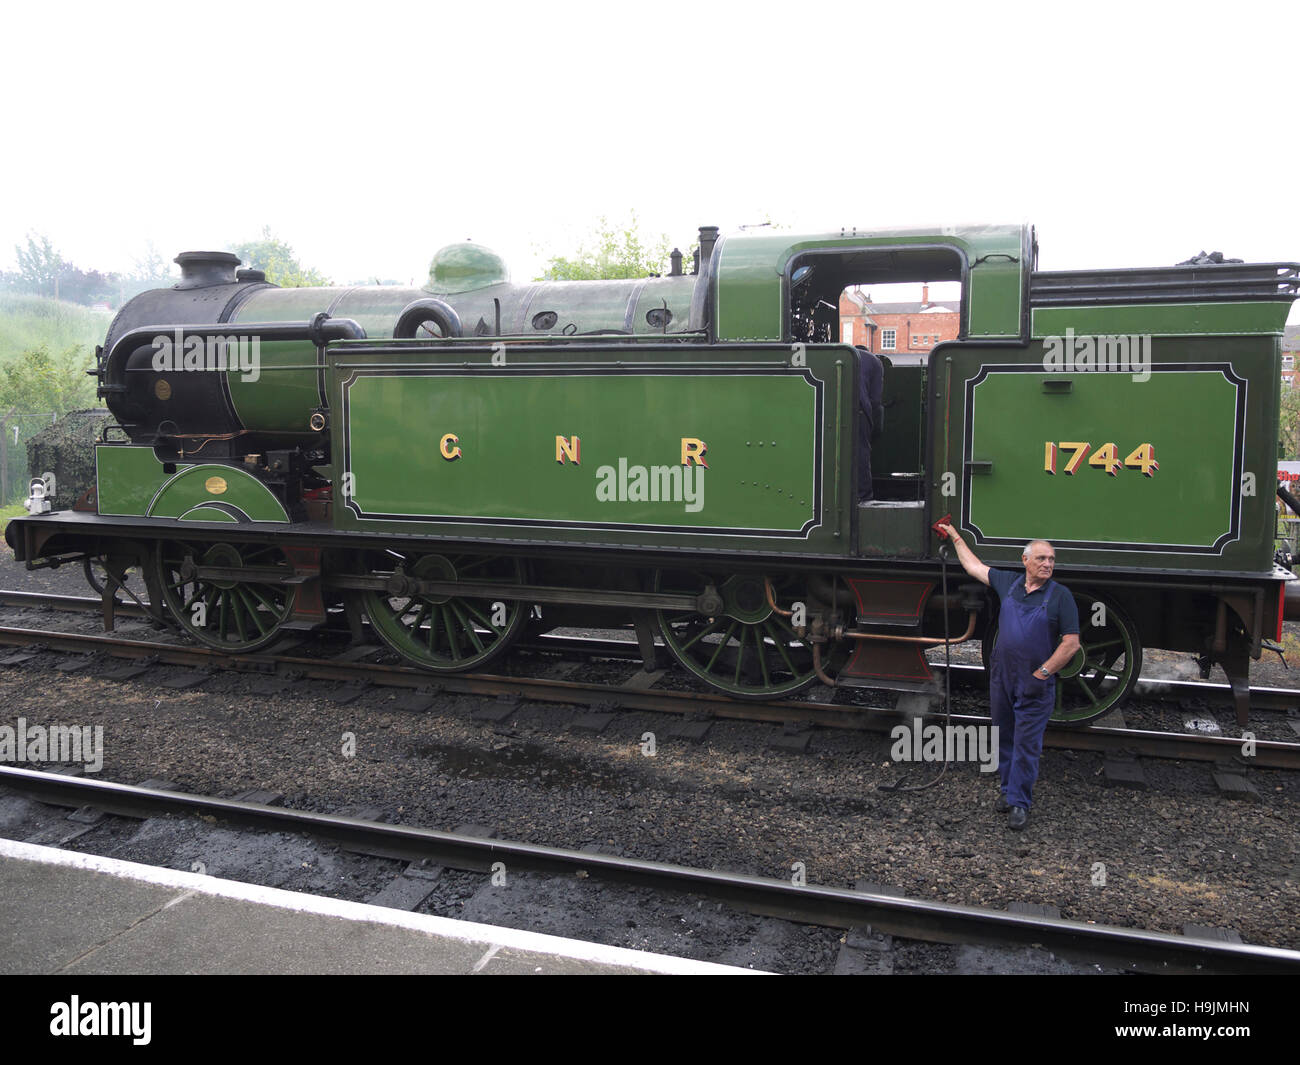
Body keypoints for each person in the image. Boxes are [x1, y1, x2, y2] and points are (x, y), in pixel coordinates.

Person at [936, 525, 1080, 830]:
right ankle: (1007, 790)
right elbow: (974, 567)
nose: (1047, 564)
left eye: (1051, 560)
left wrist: (1043, 673)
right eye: (1041, 558)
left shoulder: (1061, 596)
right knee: (1003, 735)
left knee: (1027, 743)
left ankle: (1019, 802)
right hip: (1003, 675)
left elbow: (1071, 644)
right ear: (1025, 560)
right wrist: (956, 537)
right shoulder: (1008, 583)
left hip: (1034, 680)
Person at [854, 346, 883, 502]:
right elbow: (875, 400)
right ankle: (864, 496)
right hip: (860, 409)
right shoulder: (874, 361)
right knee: (861, 453)